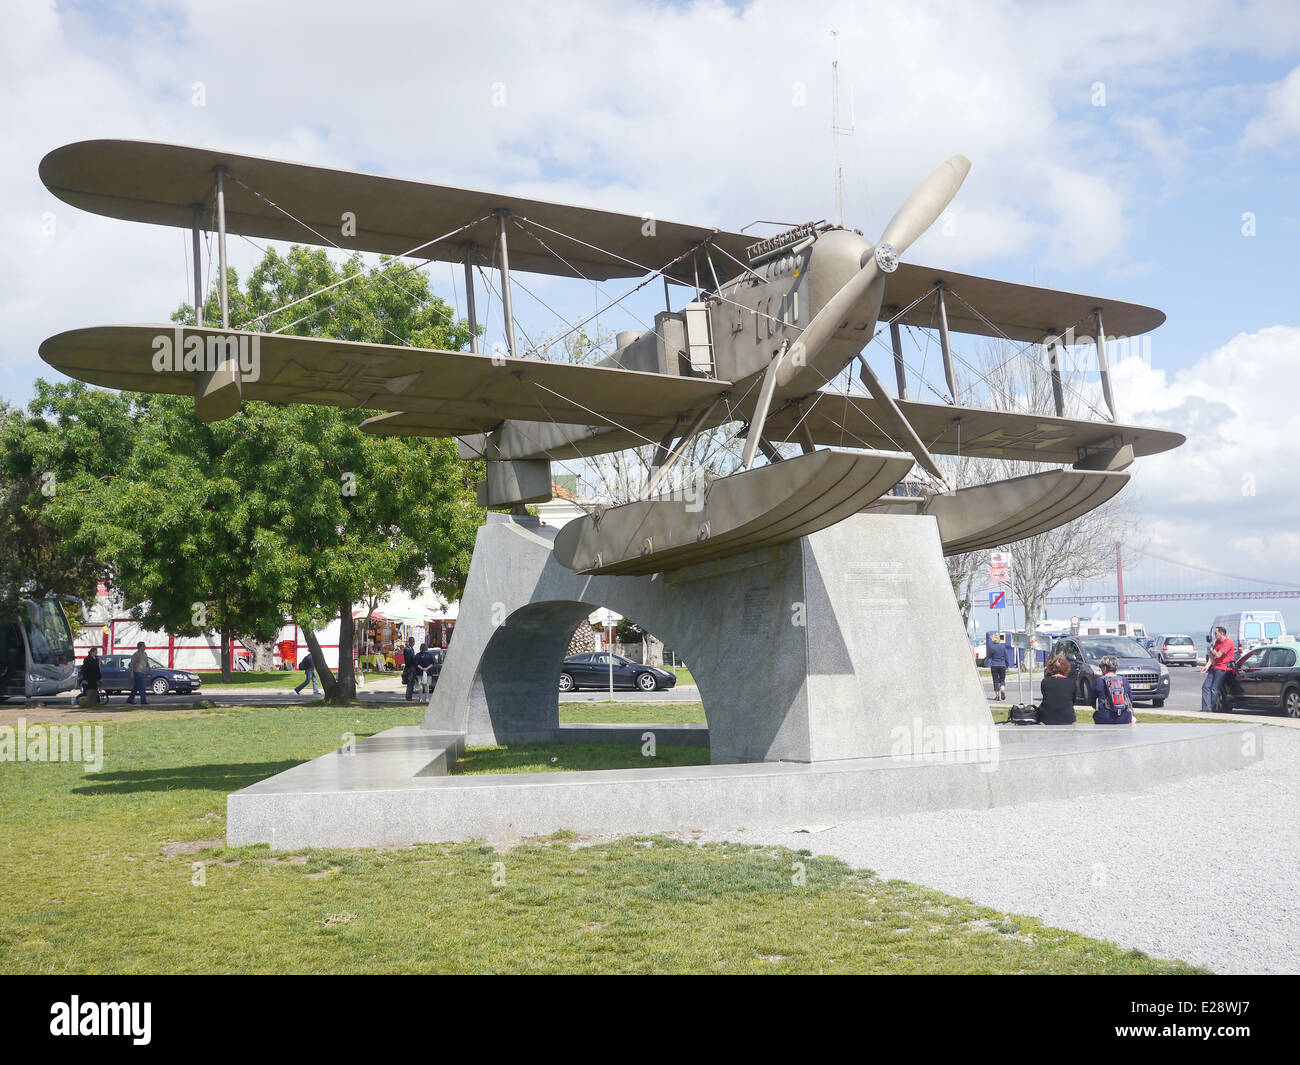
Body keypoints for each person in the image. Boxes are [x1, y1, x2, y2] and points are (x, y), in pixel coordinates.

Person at [1201, 624, 1235, 712]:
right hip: (1215, 667)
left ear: (1221, 633)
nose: (1214, 636)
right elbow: (1212, 657)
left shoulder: (1228, 642)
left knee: (1214, 689)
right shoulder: (1217, 642)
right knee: (1205, 687)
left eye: (1216, 633)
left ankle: (1211, 708)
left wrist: (1212, 650)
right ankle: (1206, 708)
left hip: (1223, 668)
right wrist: (1207, 666)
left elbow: (1218, 654)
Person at [1092, 656, 1136, 724]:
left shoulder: (1099, 681)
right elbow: (1130, 701)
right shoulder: (1124, 681)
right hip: (1123, 718)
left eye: (1100, 666)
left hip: (1104, 718)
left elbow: (1092, 702)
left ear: (1105, 667)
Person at [1038, 654, 1076, 725]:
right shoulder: (1071, 683)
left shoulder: (1045, 682)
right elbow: (1073, 700)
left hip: (1047, 717)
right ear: (1066, 668)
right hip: (1067, 717)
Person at [986, 633, 1010, 700]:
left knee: (995, 680)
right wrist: (1007, 665)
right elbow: (1006, 657)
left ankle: (997, 696)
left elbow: (989, 656)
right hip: (1002, 665)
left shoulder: (991, 647)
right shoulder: (1003, 647)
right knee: (1002, 679)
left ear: (993, 640)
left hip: (994, 665)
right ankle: (1002, 688)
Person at [126, 641, 150, 705]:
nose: (145, 647)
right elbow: (132, 664)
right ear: (140, 647)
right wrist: (131, 673)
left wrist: (149, 667)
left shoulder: (145, 654)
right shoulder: (136, 654)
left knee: (136, 687)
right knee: (142, 687)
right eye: (144, 646)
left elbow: (146, 662)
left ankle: (130, 699)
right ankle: (143, 701)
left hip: (143, 672)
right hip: (137, 672)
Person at [402, 636, 418, 701]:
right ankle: (408, 697)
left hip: (410, 667)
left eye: (414, 641)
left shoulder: (410, 649)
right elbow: (410, 660)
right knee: (410, 683)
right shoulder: (408, 649)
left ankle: (409, 696)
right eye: (413, 641)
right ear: (410, 642)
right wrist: (415, 661)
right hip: (410, 668)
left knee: (411, 683)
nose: (414, 643)